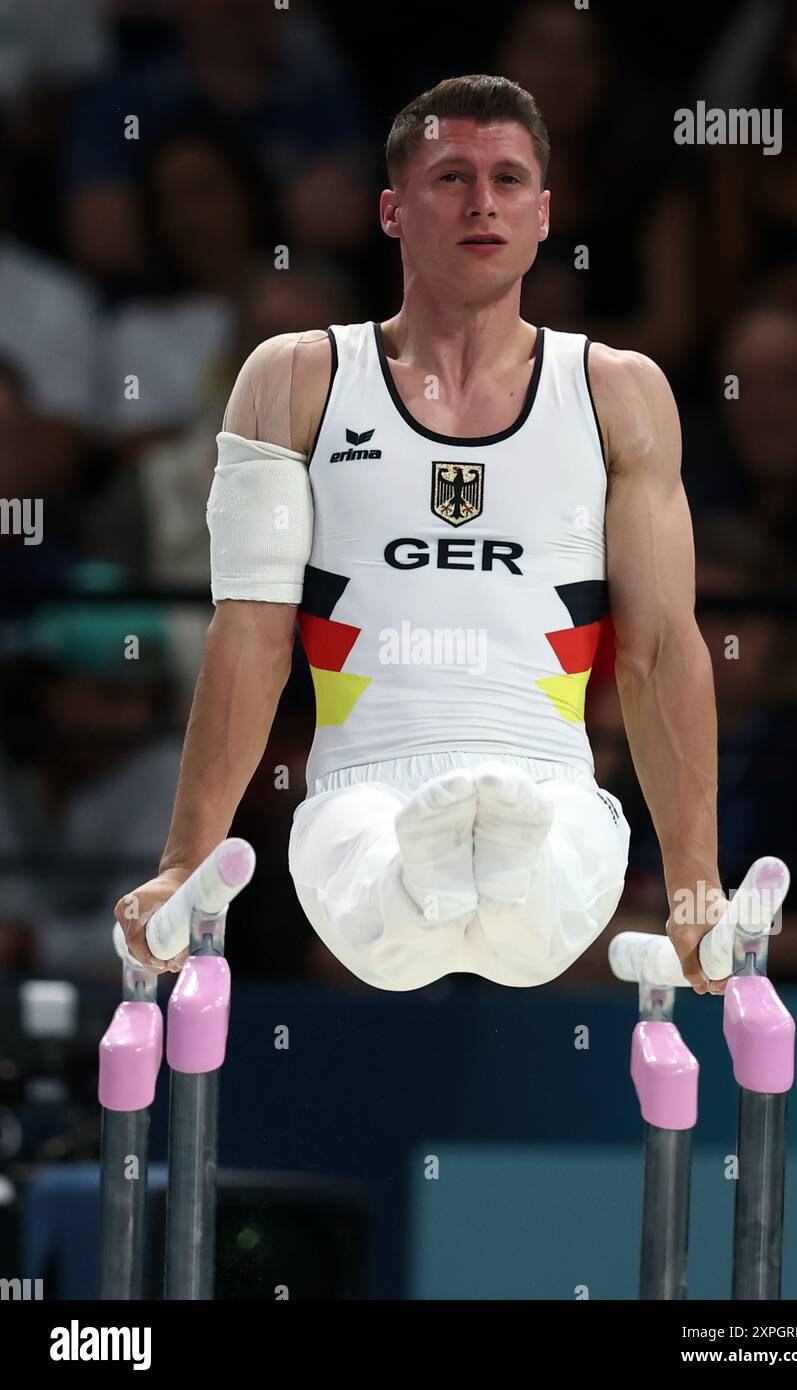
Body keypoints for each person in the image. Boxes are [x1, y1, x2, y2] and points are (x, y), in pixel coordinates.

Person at [115, 75, 728, 995]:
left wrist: (696, 886)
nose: (483, 201)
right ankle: (445, 855)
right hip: (365, 786)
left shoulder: (616, 394)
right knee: (378, 883)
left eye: (509, 179)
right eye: (451, 177)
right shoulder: (298, 381)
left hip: (550, 778)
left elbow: (661, 650)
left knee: (544, 880)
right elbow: (250, 633)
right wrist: (182, 862)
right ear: (392, 211)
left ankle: (488, 844)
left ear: (546, 212)